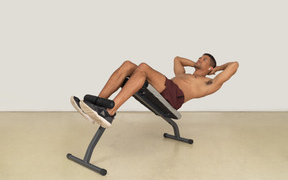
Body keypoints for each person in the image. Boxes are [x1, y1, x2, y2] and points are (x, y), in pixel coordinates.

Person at [71, 53, 239, 128]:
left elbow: (234, 65)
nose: (199, 59)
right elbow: (177, 59)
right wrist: (196, 64)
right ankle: (95, 106)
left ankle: (110, 111)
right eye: (200, 57)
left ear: (210, 67)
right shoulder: (183, 74)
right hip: (167, 88)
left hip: (174, 97)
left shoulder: (210, 83)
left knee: (143, 67)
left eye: (204, 59)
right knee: (129, 64)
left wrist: (216, 69)